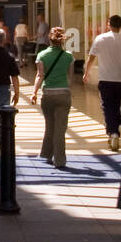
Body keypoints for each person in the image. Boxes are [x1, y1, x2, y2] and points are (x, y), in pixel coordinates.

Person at [84, 14, 121, 152]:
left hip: (105, 79)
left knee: (107, 107)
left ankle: (113, 133)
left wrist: (86, 72)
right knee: (117, 107)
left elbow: (91, 57)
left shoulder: (100, 39)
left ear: (108, 25)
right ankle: (114, 132)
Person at [31, 27, 74, 169]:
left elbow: (40, 75)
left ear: (49, 39)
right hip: (64, 94)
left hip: (48, 95)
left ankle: (47, 154)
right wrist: (67, 90)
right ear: (62, 40)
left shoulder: (42, 55)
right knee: (60, 129)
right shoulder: (69, 56)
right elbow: (70, 78)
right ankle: (59, 160)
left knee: (49, 125)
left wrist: (34, 92)